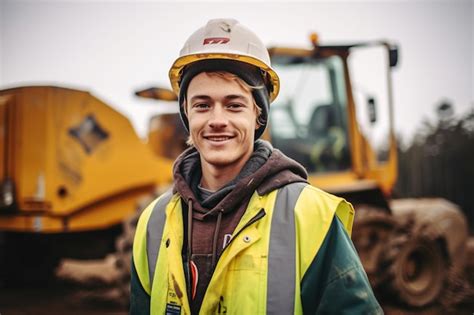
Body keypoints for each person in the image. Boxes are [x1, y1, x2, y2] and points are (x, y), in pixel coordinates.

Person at [130, 18, 382, 314]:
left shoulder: (309, 216)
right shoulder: (153, 222)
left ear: (258, 115)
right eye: (202, 105)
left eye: (234, 105)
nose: (217, 120)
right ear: (186, 113)